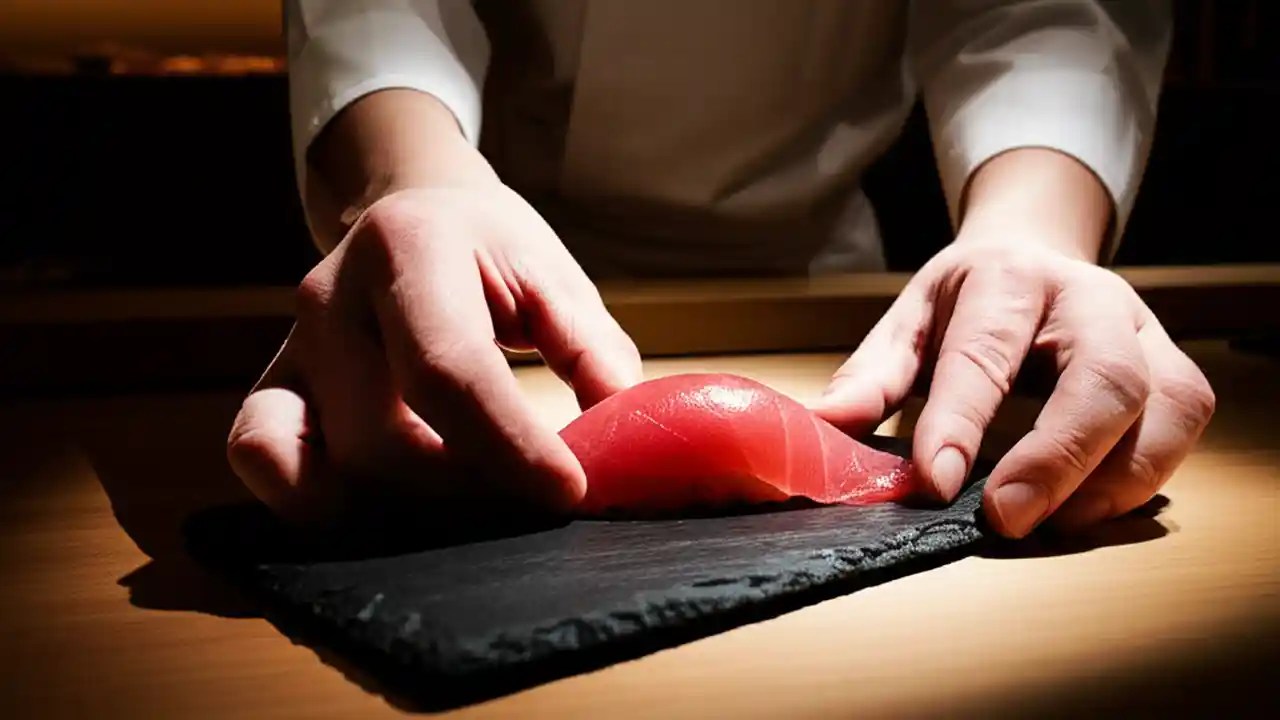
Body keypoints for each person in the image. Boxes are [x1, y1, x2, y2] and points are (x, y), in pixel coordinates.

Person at [227, 0, 1215, 539]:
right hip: (485, 284)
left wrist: (1032, 231)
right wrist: (412, 174)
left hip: (821, 290)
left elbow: (1044, 10)